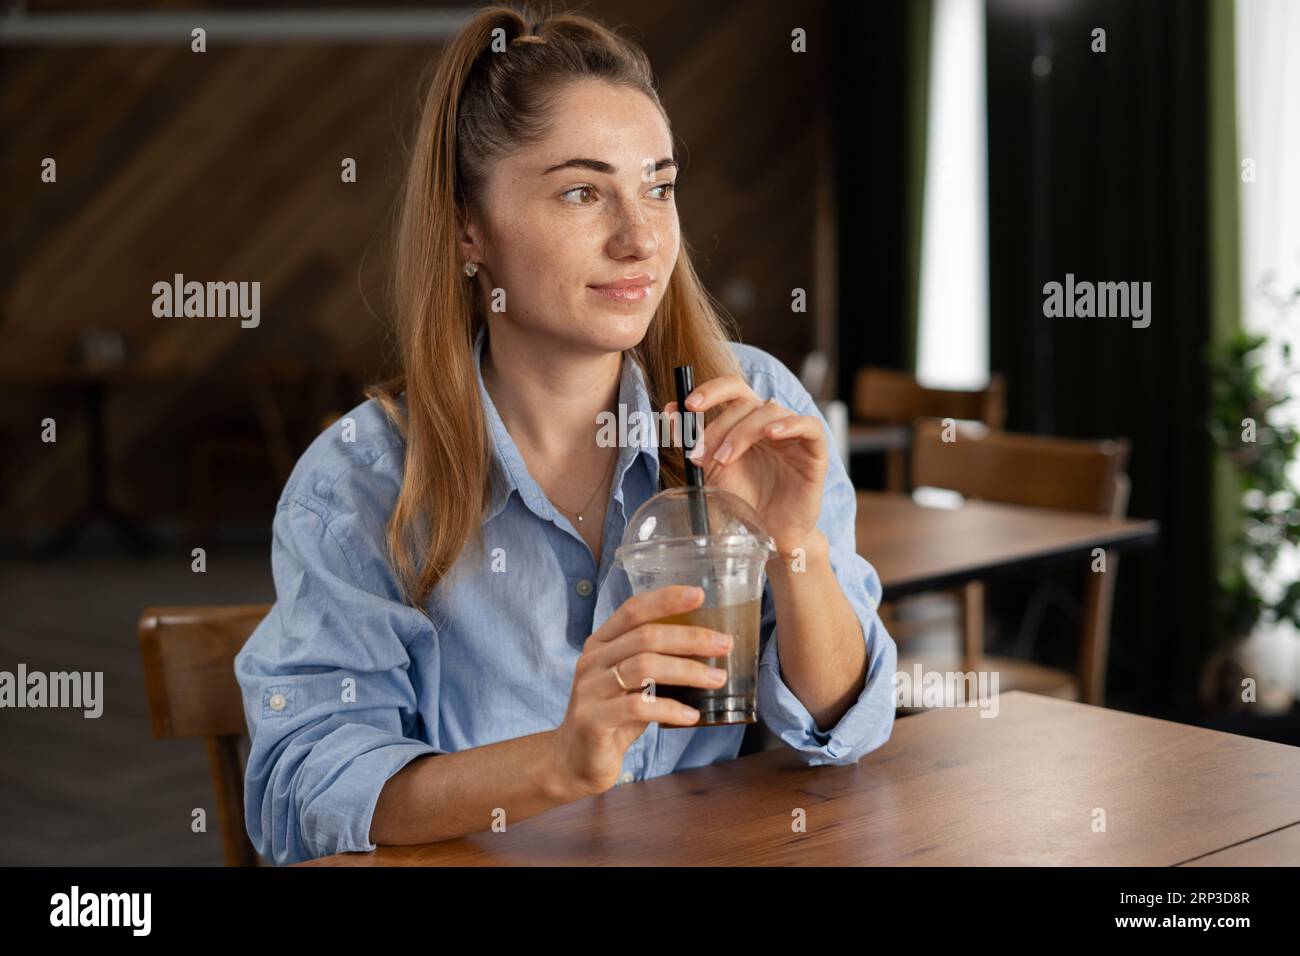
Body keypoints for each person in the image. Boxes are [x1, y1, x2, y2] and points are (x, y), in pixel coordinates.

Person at [235, 2, 897, 866]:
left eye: (658, 187)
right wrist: (556, 763)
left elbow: (845, 726)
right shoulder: (359, 481)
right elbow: (305, 792)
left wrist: (796, 546)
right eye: (584, 192)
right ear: (469, 228)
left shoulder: (752, 401)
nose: (641, 238)